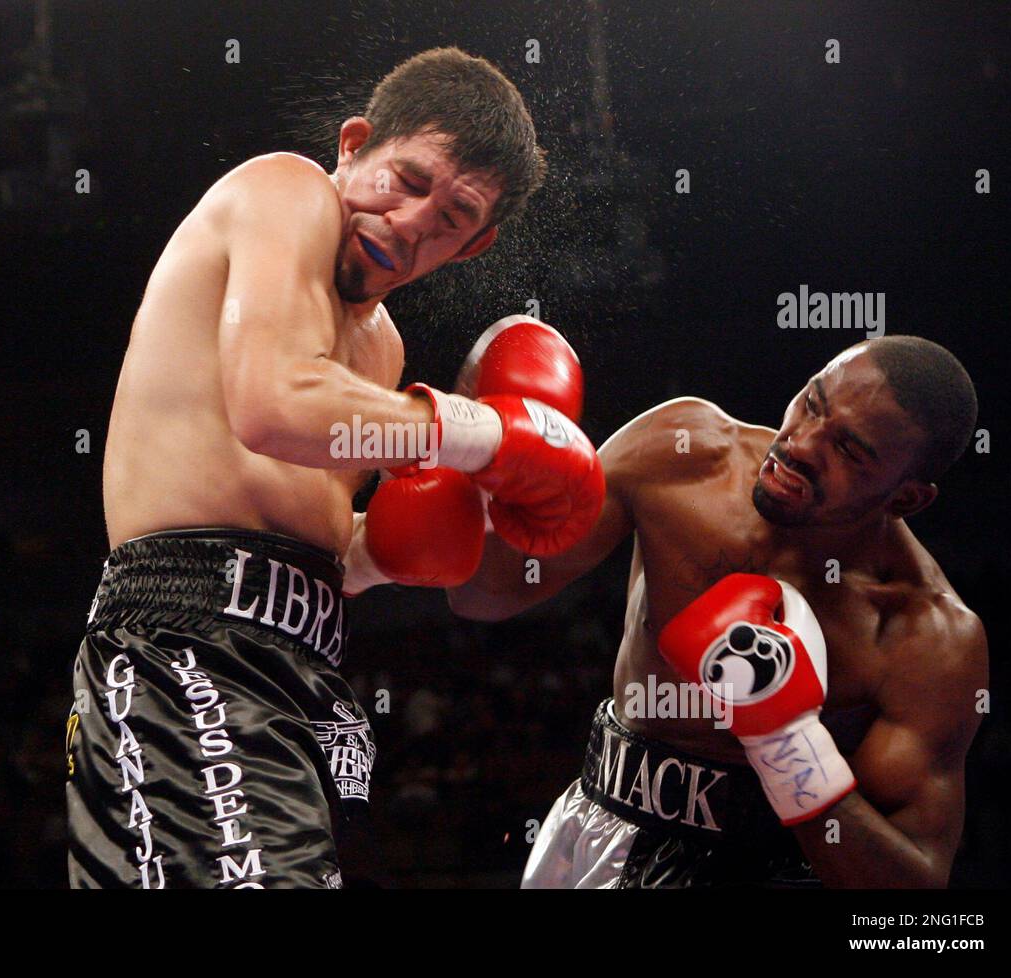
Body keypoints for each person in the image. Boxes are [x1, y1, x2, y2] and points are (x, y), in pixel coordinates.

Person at [65, 47, 606, 889]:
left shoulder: (380, 345)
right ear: (355, 144)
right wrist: (484, 436)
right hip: (186, 648)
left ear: (476, 244)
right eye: (407, 180)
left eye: (452, 215)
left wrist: (383, 550)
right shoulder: (283, 190)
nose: (410, 221)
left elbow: (299, 510)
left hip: (303, 670)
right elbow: (273, 404)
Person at [449, 336, 988, 888]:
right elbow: (482, 597)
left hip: (767, 870)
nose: (801, 444)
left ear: (906, 499)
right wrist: (491, 470)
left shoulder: (925, 637)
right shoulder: (682, 455)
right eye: (813, 402)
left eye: (849, 449)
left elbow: (914, 889)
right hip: (595, 825)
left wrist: (788, 749)